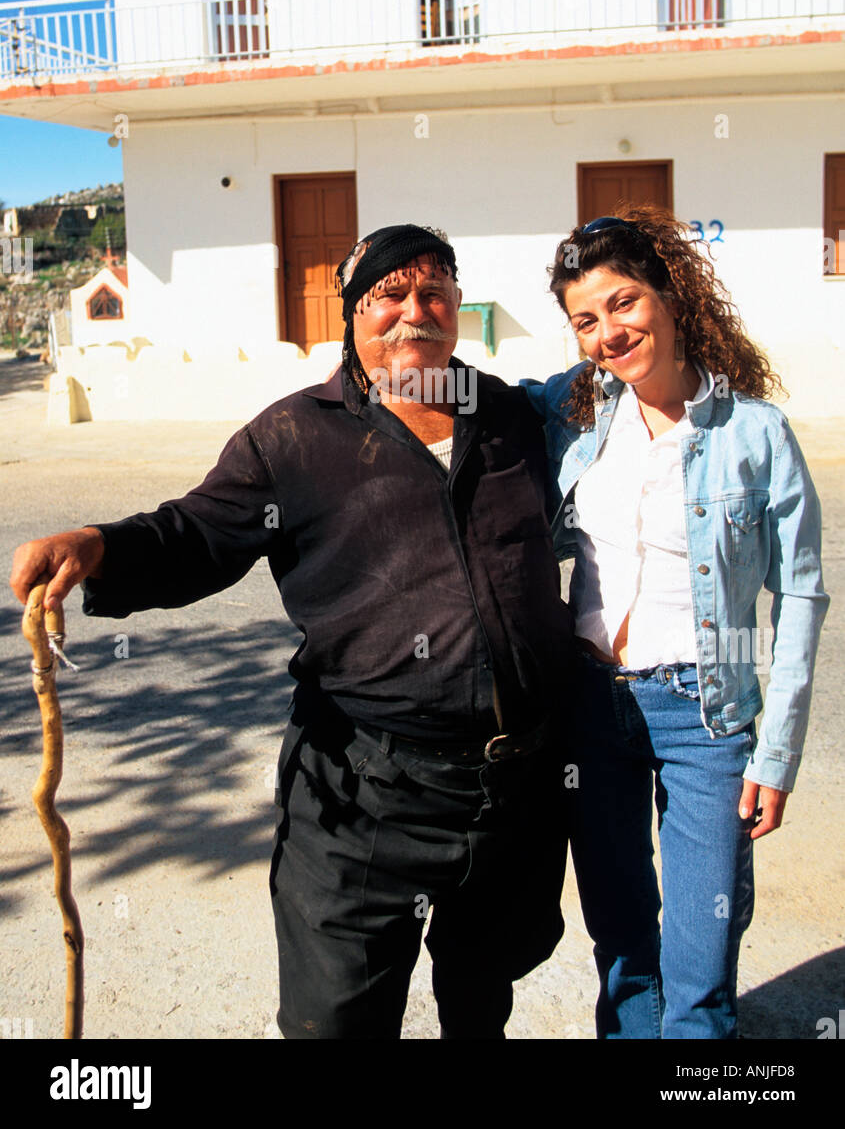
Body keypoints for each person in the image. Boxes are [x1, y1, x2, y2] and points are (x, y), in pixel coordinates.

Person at [11, 222, 574, 1041]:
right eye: (388, 295)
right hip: (364, 792)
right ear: (350, 317)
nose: (413, 311)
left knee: (482, 997)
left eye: (433, 292)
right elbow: (195, 534)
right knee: (333, 1020)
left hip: (514, 791)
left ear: (457, 307)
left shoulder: (514, 419)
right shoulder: (294, 436)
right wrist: (99, 547)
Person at [522, 204, 829, 1040]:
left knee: (699, 957)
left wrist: (778, 751)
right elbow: (467, 402)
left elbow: (799, 593)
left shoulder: (753, 433)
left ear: (667, 292)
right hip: (593, 711)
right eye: (584, 320)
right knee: (621, 947)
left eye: (622, 303)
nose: (607, 333)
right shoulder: (574, 417)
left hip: (706, 715)